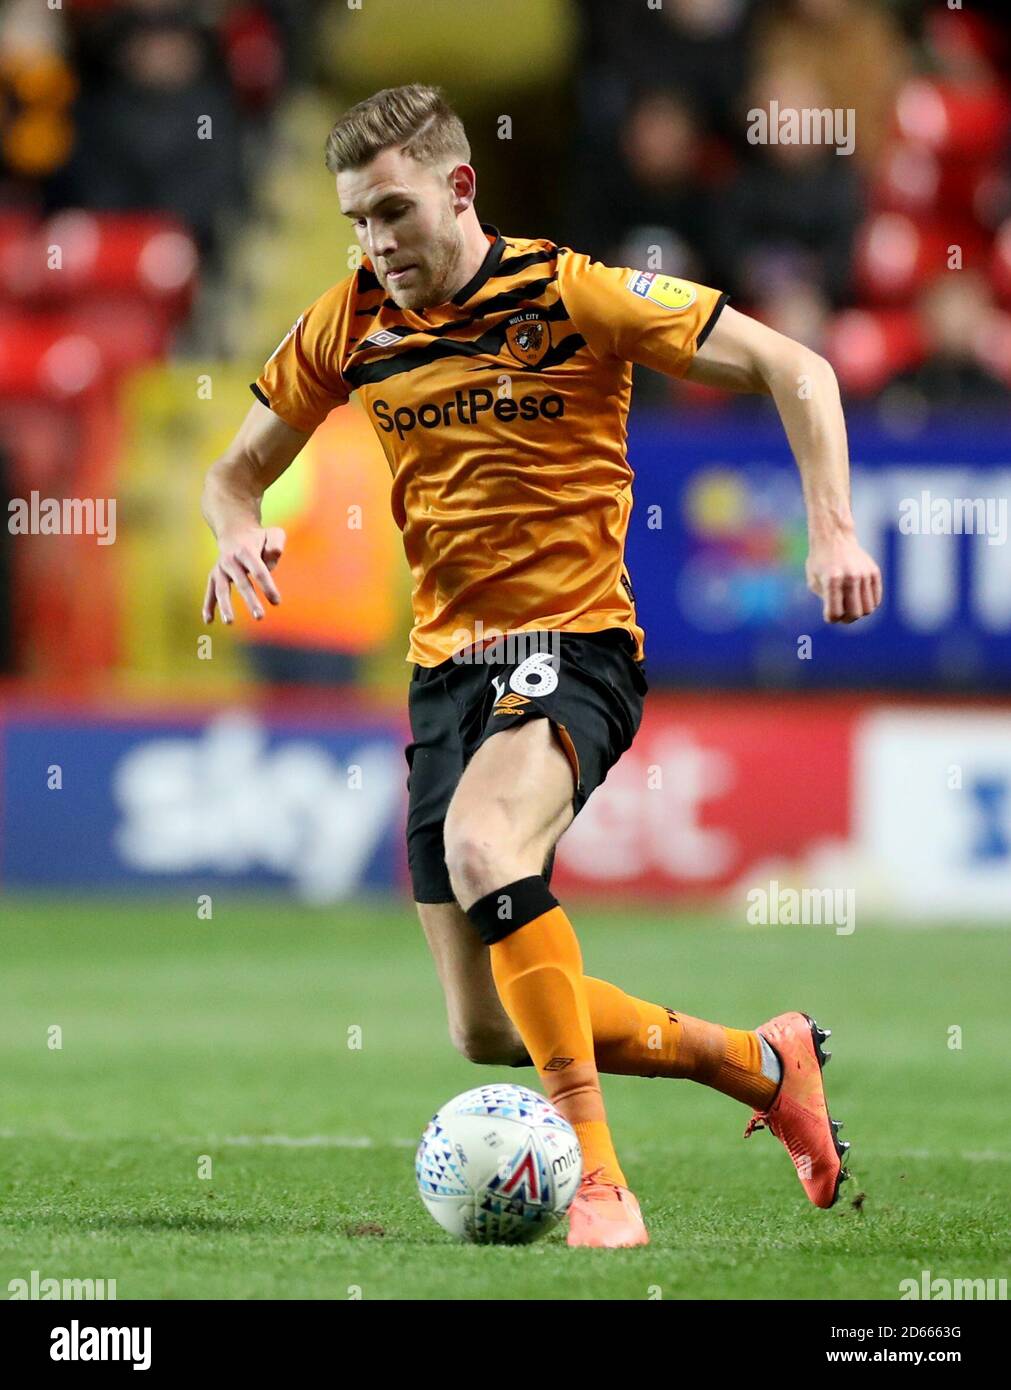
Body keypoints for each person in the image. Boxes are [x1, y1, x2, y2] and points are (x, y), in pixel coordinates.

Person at [200, 83, 882, 1248]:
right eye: (358, 221)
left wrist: (830, 526)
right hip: (444, 675)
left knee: (483, 846)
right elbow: (233, 470)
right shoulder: (348, 322)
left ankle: (602, 1182)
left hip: (574, 645)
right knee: (487, 1027)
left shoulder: (571, 293)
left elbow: (798, 367)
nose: (378, 245)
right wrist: (233, 529)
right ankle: (764, 1063)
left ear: (461, 189)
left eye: (395, 214)